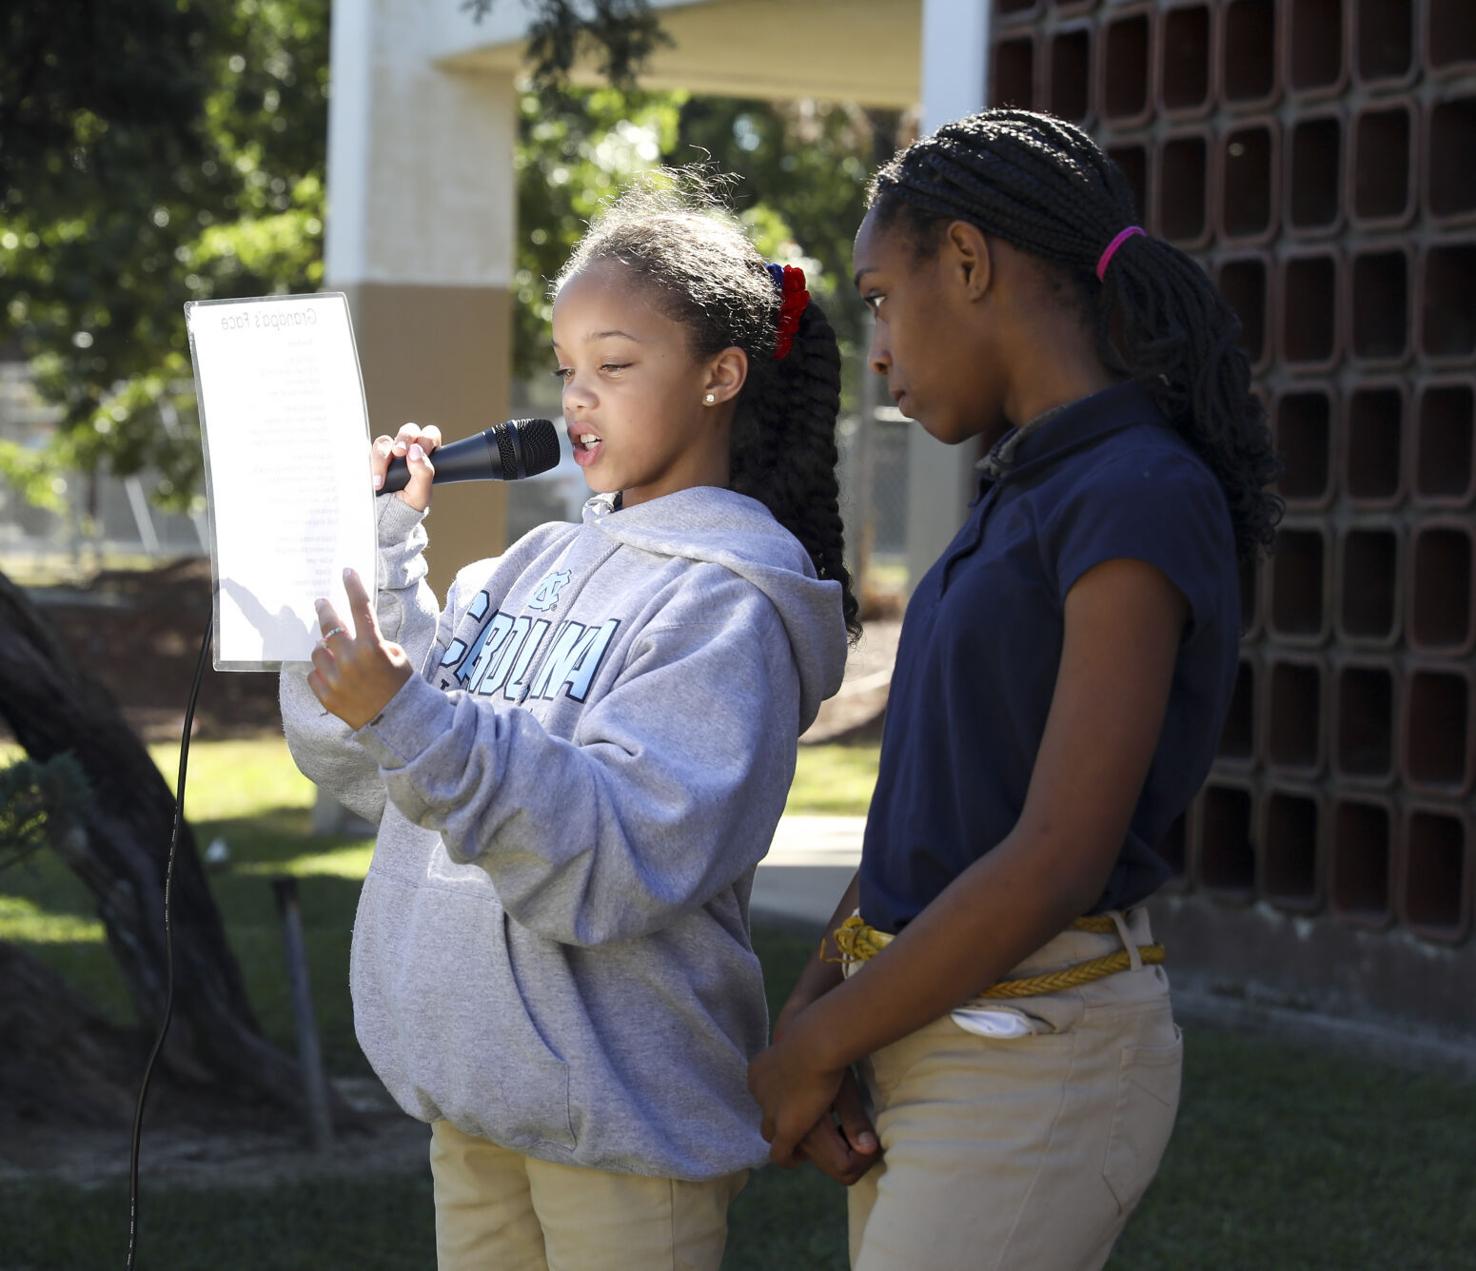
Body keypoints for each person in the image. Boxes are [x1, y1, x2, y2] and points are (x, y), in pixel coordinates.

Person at [280, 175, 857, 1270]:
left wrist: (411, 718)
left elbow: (621, 852)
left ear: (721, 376)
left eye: (616, 366)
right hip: (475, 1100)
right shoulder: (526, 565)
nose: (578, 399)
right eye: (564, 370)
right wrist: (384, 553)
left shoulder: (728, 601)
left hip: (624, 1132)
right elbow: (375, 764)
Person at [747, 108, 1282, 1270]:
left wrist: (815, 1044)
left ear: (969, 261)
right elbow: (932, 818)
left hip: (1037, 1045)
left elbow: (1054, 857)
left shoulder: (1135, 491)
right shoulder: (1024, 490)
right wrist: (816, 1007)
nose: (876, 349)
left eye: (882, 299)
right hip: (927, 1026)